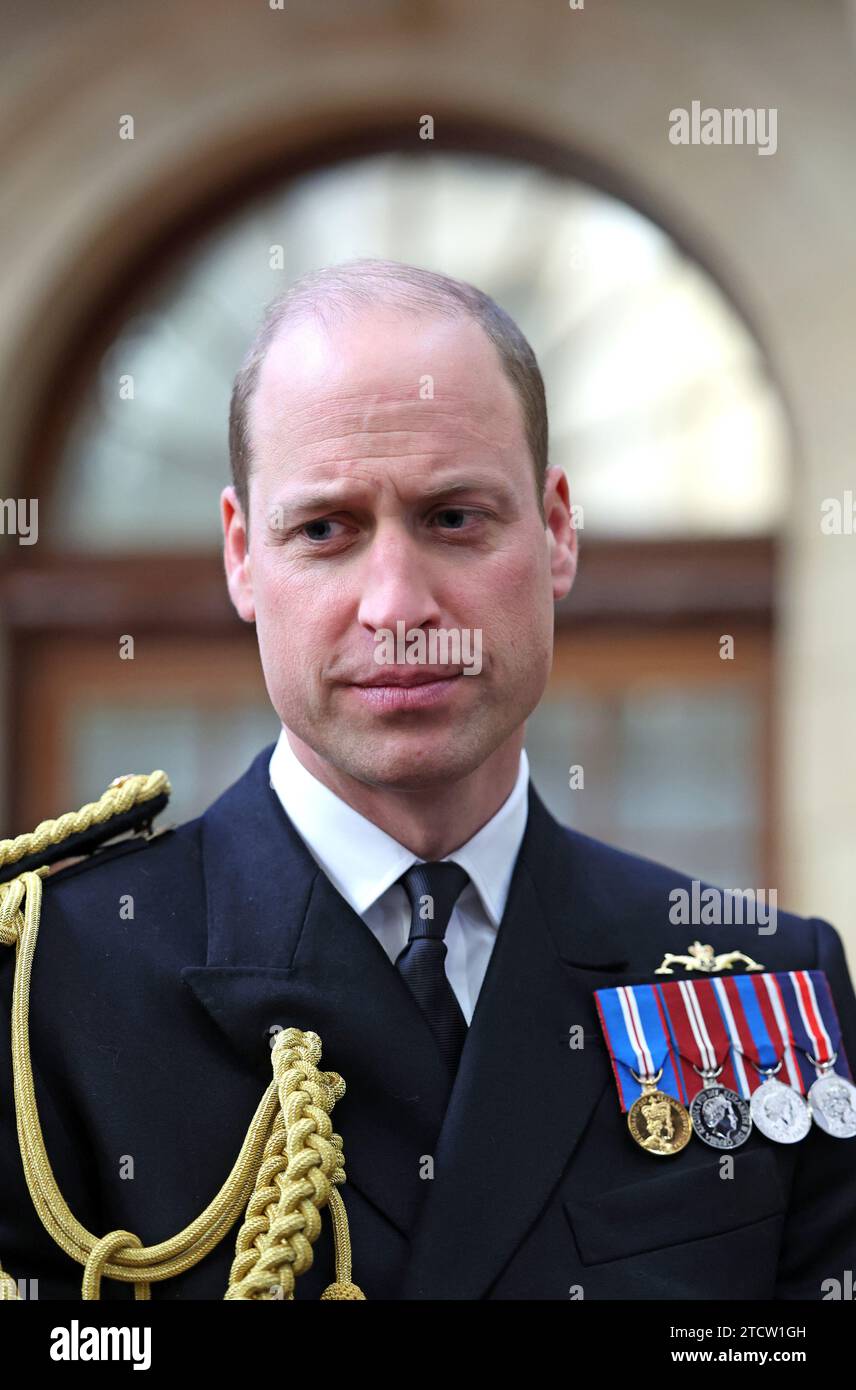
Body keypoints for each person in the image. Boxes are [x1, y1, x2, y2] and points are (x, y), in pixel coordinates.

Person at [1, 258, 854, 1300]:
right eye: (325, 530)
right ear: (239, 556)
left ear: (558, 530)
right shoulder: (50, 993)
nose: (396, 605)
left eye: (454, 517)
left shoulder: (755, 983)